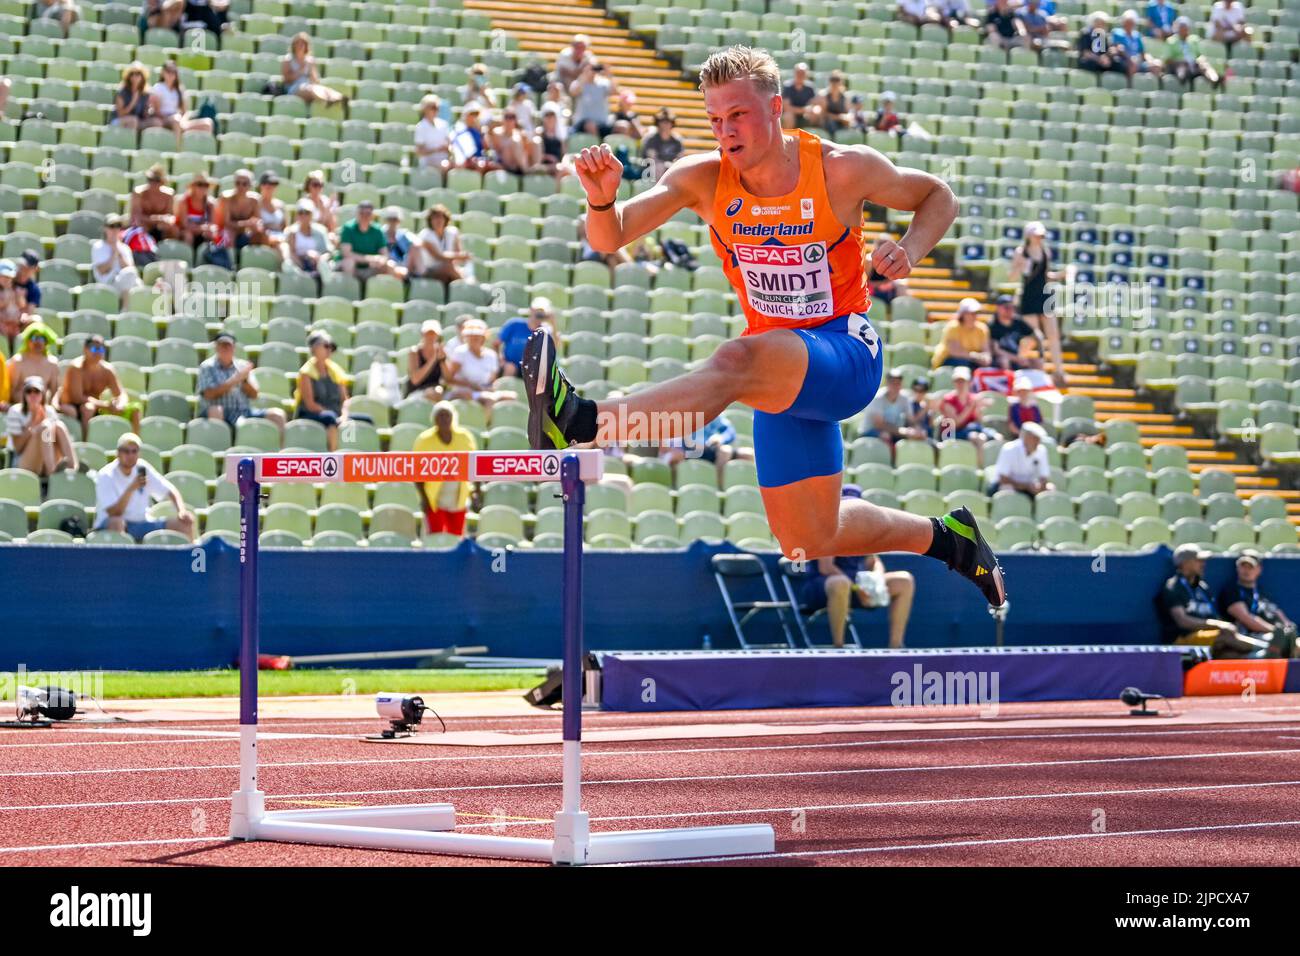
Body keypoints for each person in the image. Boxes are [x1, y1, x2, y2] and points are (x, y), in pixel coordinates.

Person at [520, 45, 1004, 606]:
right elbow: (610, 237)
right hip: (782, 375)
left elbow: (937, 196)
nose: (725, 131)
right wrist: (602, 202)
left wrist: (912, 250)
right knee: (807, 538)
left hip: (845, 352)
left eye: (738, 115)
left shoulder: (842, 169)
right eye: (715, 120)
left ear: (776, 108)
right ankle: (948, 540)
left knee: (735, 358)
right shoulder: (700, 178)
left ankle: (582, 421)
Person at [802, 486, 915, 648]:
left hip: (857, 589)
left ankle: (896, 645)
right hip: (822, 589)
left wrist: (877, 580)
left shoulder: (864, 530)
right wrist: (857, 588)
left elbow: (873, 561)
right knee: (840, 583)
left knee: (904, 581)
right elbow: (825, 568)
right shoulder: (826, 529)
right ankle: (838, 646)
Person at [1156, 545, 1267, 659]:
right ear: (1185, 563)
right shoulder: (1174, 586)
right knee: (1224, 635)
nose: (1203, 564)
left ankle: (1266, 658)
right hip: (1181, 640)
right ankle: (1267, 648)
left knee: (1229, 653)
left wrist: (1225, 625)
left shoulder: (1202, 588)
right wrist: (1219, 625)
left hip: (1207, 638)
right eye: (1199, 560)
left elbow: (1214, 616)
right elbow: (1182, 621)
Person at [94, 432, 194, 542]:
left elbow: (170, 490)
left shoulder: (143, 467)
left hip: (142, 523)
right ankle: (119, 559)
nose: (130, 455)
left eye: (134, 451)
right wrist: (131, 488)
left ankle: (191, 558)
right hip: (112, 524)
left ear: (139, 453)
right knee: (116, 522)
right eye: (126, 451)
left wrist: (181, 511)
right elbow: (113, 513)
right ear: (117, 453)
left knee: (184, 524)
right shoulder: (106, 475)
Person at [197, 332, 286, 441]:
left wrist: (244, 380)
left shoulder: (242, 366)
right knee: (216, 410)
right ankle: (219, 448)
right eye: (222, 345)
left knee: (277, 415)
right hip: (220, 411)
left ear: (234, 347)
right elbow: (208, 394)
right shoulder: (207, 367)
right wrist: (235, 379)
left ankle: (279, 452)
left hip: (244, 410)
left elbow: (254, 395)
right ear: (216, 347)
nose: (225, 348)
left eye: (228, 345)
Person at [1010, 222, 1066, 387]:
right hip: (1029, 296)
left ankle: (1059, 372)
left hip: (1044, 295)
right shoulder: (1021, 252)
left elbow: (1045, 275)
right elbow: (1012, 276)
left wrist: (1060, 275)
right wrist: (1019, 265)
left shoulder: (1045, 251)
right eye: (1036, 235)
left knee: (1053, 335)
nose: (1039, 238)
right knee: (1033, 337)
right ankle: (1021, 361)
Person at [58, 334, 141, 439]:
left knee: (135, 410)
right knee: (88, 408)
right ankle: (86, 443)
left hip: (98, 407)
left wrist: (119, 404)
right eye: (94, 348)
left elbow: (121, 394)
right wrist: (105, 405)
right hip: (74, 407)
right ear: (85, 350)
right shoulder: (76, 368)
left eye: (101, 349)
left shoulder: (107, 369)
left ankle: (134, 445)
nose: (97, 352)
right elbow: (77, 398)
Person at [412, 402, 477, 536]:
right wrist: (424, 499)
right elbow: (417, 472)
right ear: (434, 419)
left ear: (453, 417)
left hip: (458, 496)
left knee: (456, 537)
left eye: (447, 415)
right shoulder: (424, 440)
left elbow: (475, 464)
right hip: (434, 498)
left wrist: (476, 490)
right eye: (440, 415)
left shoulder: (464, 437)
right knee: (436, 538)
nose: (444, 419)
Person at [1218, 552, 1297, 658]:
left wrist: (1288, 629)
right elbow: (1246, 618)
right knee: (1276, 643)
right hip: (1249, 636)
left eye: (1250, 567)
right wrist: (1276, 632)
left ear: (1259, 569)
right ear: (1237, 568)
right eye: (1243, 566)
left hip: (1275, 637)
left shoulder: (1264, 594)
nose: (1246, 570)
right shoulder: (1232, 590)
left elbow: (1281, 616)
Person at [6, 376, 78, 476]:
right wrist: (33, 424)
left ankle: (74, 469)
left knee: (58, 426)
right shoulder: (15, 411)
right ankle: (52, 475)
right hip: (22, 463)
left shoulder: (49, 411)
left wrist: (43, 428)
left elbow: (51, 440)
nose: (32, 395)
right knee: (45, 427)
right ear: (24, 394)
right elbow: (18, 448)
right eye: (29, 391)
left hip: (46, 460)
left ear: (42, 394)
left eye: (36, 391)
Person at [294, 331, 351, 452]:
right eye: (326, 346)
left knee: (366, 419)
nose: (329, 350)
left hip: (336, 413)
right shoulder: (306, 373)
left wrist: (344, 416)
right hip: (311, 413)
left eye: (331, 347)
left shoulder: (335, 370)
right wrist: (335, 416)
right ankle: (334, 456)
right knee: (330, 417)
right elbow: (310, 404)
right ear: (314, 348)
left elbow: (345, 399)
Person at [660, 413, 754, 482]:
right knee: (674, 456)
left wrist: (721, 438)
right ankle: (676, 486)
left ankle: (717, 486)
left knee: (746, 454)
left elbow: (730, 431)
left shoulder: (712, 412)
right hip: (685, 450)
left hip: (710, 450)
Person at [337, 200, 405, 281]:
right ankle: (349, 291)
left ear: (372, 215)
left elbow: (384, 254)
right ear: (357, 214)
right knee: (348, 263)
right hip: (353, 267)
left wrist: (380, 260)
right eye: (362, 213)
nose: (364, 216)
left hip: (371, 267)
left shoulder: (377, 230)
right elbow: (347, 254)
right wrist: (370, 259)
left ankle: (386, 292)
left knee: (390, 265)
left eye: (368, 214)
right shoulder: (348, 228)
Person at [148, 61, 213, 144]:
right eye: (168, 72)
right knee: (176, 120)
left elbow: (185, 111)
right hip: (164, 120)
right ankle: (177, 149)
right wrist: (175, 120)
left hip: (179, 122)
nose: (171, 75)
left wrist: (182, 120)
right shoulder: (158, 88)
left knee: (207, 124)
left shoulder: (180, 89)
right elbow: (156, 111)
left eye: (173, 72)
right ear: (163, 73)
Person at [937, 366, 993, 461]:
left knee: (996, 437)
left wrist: (978, 408)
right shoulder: (948, 400)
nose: (960, 384)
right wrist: (970, 406)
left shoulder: (973, 398)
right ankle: (980, 469)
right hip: (951, 434)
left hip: (970, 431)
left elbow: (979, 421)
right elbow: (956, 424)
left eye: (963, 381)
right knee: (979, 439)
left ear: (969, 382)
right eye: (957, 381)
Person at [445, 318, 504, 408]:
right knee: (489, 399)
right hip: (463, 392)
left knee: (511, 396)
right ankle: (486, 422)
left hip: (484, 391)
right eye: (471, 335)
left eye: (477, 335)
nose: (474, 338)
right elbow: (448, 379)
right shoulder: (460, 352)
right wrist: (471, 385)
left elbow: (492, 380)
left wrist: (489, 388)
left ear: (484, 337)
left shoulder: (491, 355)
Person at [862, 369, 925, 450]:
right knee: (885, 436)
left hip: (893, 432)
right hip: (870, 431)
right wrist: (904, 431)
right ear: (887, 383)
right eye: (893, 383)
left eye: (898, 383)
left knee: (916, 438)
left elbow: (911, 420)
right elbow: (878, 424)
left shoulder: (904, 399)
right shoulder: (878, 398)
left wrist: (917, 430)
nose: (895, 386)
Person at [988, 421, 1053, 496]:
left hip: (1029, 488)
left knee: (1050, 488)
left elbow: (1044, 476)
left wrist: (1041, 486)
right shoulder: (1009, 449)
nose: (1037, 442)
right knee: (1007, 489)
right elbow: (1003, 479)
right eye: (1035, 438)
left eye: (1038, 439)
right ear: (1026, 437)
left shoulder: (1041, 450)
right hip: (1008, 486)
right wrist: (1026, 486)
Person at [409, 204, 471, 283]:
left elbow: (458, 255)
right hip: (428, 270)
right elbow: (438, 256)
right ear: (430, 220)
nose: (437, 220)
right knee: (448, 268)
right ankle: (465, 285)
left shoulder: (453, 232)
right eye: (434, 218)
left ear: (445, 219)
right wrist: (460, 256)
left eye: (440, 217)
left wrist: (460, 258)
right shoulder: (425, 235)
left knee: (458, 269)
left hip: (449, 268)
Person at [497, 297, 556, 378]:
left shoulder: (546, 330)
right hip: (510, 367)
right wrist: (502, 362)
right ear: (531, 310)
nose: (539, 314)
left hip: (531, 370)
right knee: (510, 369)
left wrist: (553, 324)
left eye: (542, 312)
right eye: (537, 310)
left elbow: (554, 348)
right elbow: (496, 344)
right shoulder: (514, 324)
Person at [283, 33, 345, 107]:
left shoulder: (310, 61)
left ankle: (340, 98)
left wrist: (311, 73)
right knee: (310, 90)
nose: (300, 46)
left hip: (309, 85)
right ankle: (326, 100)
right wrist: (300, 72)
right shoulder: (288, 60)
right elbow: (286, 79)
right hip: (294, 88)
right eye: (298, 43)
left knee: (324, 89)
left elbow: (315, 80)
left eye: (302, 44)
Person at [91, 216, 142, 305]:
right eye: (111, 226)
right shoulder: (98, 246)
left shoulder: (125, 248)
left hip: (125, 283)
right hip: (107, 285)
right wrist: (113, 254)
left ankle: (130, 312)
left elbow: (131, 270)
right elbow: (102, 271)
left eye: (117, 226)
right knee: (130, 276)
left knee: (137, 282)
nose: (115, 230)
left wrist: (119, 253)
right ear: (104, 228)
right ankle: (126, 312)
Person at [7, 322, 60, 404]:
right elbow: (11, 390)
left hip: (43, 407)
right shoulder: (18, 361)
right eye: (34, 338)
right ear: (27, 341)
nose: (38, 342)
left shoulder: (52, 363)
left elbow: (54, 390)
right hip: (21, 407)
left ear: (46, 342)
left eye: (42, 339)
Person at [932, 297, 991, 370]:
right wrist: (975, 356)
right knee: (965, 365)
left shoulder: (982, 328)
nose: (974, 315)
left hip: (972, 360)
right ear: (963, 314)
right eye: (971, 313)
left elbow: (986, 350)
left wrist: (986, 358)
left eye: (976, 313)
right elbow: (954, 352)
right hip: (947, 360)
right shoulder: (953, 327)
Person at [1164, 16, 1222, 89]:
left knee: (1204, 65)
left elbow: (1200, 55)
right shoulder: (1171, 41)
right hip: (1179, 65)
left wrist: (1200, 60)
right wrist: (1181, 61)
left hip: (1194, 65)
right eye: (1182, 28)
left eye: (1185, 28)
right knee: (1182, 67)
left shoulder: (1194, 40)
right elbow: (1168, 59)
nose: (1184, 30)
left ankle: (1214, 79)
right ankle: (1183, 79)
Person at [989, 294, 1042, 371]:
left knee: (1037, 361)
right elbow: (996, 350)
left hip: (1019, 356)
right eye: (1006, 307)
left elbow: (1035, 335)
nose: (1010, 310)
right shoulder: (993, 325)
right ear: (998, 308)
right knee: (1004, 361)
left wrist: (1027, 353)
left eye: (1012, 307)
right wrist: (1016, 359)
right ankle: (1008, 382)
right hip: (1003, 358)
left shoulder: (1018, 321)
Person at [174, 171, 221, 255]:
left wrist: (207, 229)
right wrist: (203, 228)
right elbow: (184, 225)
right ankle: (188, 260)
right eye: (199, 184)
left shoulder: (210, 203)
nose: (203, 188)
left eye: (205, 185)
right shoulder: (184, 201)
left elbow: (213, 225)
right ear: (193, 186)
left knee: (212, 234)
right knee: (188, 236)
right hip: (184, 233)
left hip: (201, 233)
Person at [130, 165, 178, 244]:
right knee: (140, 227)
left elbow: (171, 216)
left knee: (173, 229)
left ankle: (169, 251)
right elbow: (136, 217)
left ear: (163, 182)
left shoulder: (169, 195)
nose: (153, 183)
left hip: (161, 227)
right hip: (144, 225)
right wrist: (156, 219)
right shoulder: (139, 193)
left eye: (156, 180)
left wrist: (163, 220)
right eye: (150, 179)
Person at [570, 62, 617, 138]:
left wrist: (608, 74)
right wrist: (584, 76)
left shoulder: (604, 83)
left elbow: (615, 92)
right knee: (590, 125)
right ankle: (597, 148)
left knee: (621, 126)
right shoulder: (578, 83)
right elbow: (573, 92)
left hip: (602, 123)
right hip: (582, 124)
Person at [1113, 9, 1164, 77]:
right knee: (1132, 66)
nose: (1129, 25)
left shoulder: (1137, 35)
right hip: (1125, 61)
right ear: (1123, 23)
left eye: (1131, 23)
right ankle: (1130, 86)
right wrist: (1130, 61)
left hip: (1138, 61)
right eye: (1127, 23)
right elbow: (1119, 49)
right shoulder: (1117, 33)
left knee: (1156, 65)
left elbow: (1142, 53)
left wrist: (1151, 61)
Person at [286, 199, 331, 275]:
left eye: (307, 213)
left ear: (312, 215)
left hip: (317, 265)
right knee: (287, 265)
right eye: (300, 213)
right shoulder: (292, 232)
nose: (303, 215)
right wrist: (302, 266)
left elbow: (328, 253)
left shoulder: (321, 231)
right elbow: (291, 253)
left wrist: (318, 259)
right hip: (299, 265)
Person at [405, 320, 446, 402]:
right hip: (416, 393)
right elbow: (415, 379)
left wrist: (442, 360)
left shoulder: (442, 352)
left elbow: (448, 379)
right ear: (422, 334)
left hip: (437, 392)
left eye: (433, 334)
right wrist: (433, 358)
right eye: (427, 333)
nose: (430, 336)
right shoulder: (414, 352)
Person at [641, 108, 684, 182]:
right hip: (651, 170)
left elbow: (679, 158)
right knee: (659, 167)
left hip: (670, 168)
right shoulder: (651, 139)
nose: (665, 125)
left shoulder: (677, 140)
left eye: (668, 122)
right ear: (658, 123)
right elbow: (652, 158)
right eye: (662, 122)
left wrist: (671, 165)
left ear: (672, 124)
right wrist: (665, 165)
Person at [491, 108, 539, 174]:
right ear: (502, 119)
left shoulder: (520, 134)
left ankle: (536, 167)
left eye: (512, 117)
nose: (509, 120)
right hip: (505, 163)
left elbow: (526, 150)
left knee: (536, 141)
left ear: (515, 120)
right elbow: (497, 152)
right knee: (514, 141)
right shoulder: (497, 132)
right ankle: (527, 171)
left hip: (518, 164)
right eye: (507, 117)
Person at [0, 260, 34, 351]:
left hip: (15, 325)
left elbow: (22, 306)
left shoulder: (17, 290)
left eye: (9, 277)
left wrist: (20, 297)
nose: (6, 279)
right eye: (3, 277)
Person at [414, 95, 452, 172]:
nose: (436, 110)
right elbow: (419, 151)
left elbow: (450, 144)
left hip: (444, 162)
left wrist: (448, 148)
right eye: (433, 108)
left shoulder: (443, 124)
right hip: (428, 163)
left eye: (437, 108)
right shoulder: (420, 127)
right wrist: (436, 150)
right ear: (425, 109)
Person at [780, 62, 820, 129]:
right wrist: (804, 110)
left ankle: (810, 136)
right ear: (794, 73)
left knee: (816, 112)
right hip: (791, 115)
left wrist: (812, 110)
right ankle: (789, 137)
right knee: (788, 116)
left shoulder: (810, 87)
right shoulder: (787, 86)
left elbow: (814, 104)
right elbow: (787, 108)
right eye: (798, 73)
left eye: (803, 73)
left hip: (805, 115)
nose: (800, 75)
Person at [112, 63, 150, 130]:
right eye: (132, 74)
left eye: (138, 74)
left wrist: (149, 109)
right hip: (118, 121)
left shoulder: (145, 94)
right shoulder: (122, 92)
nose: (134, 76)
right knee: (133, 120)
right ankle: (131, 140)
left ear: (142, 77)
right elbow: (120, 114)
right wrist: (133, 102)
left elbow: (144, 115)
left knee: (156, 122)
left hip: (137, 121)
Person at [380, 207, 416, 272]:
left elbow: (417, 243)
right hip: (385, 267)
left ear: (399, 221)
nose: (392, 222)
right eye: (390, 219)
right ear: (386, 220)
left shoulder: (405, 234)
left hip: (402, 268)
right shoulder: (380, 234)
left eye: (395, 219)